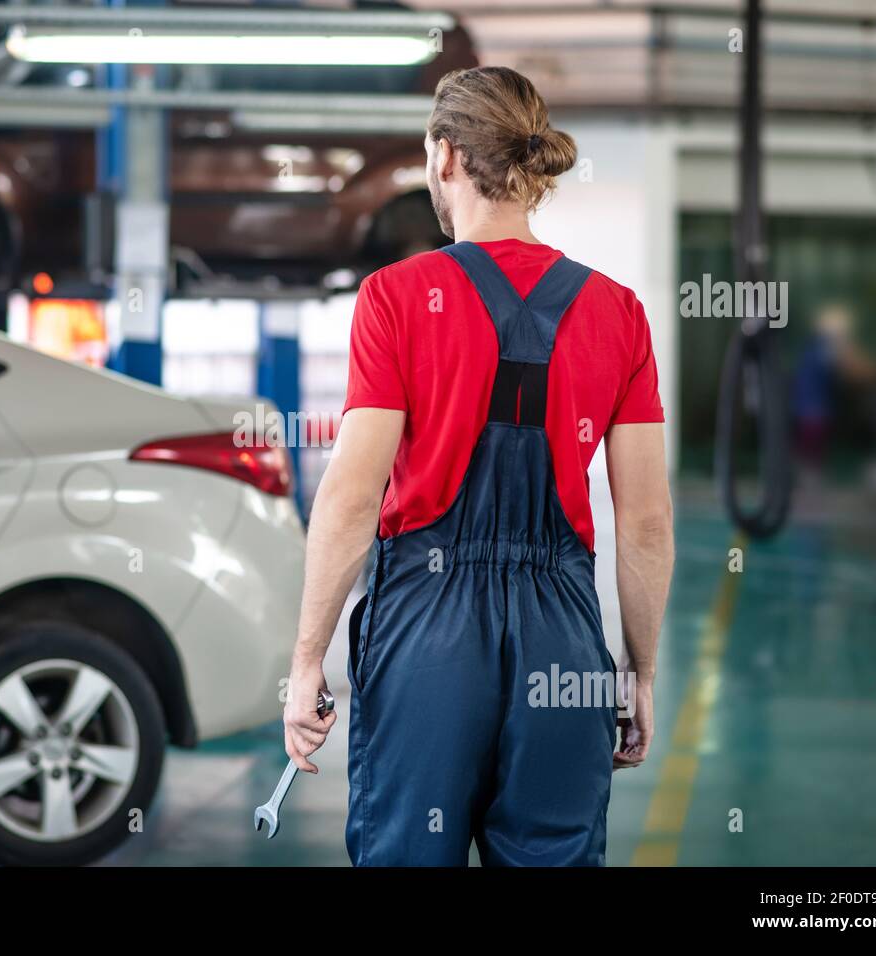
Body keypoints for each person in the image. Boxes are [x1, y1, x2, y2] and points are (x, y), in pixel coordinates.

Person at [283, 67, 675, 866]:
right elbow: (644, 520)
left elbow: (353, 499)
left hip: (429, 631)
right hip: (564, 638)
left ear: (446, 158)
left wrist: (305, 663)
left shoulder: (397, 297)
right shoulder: (618, 312)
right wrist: (639, 671)